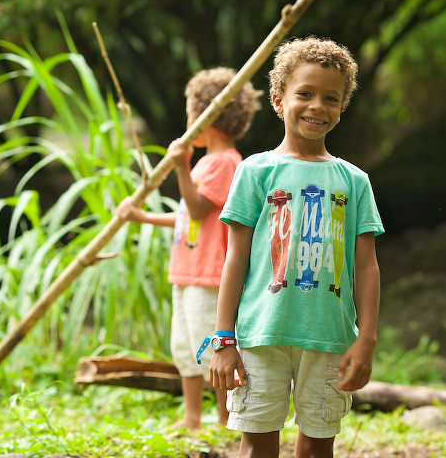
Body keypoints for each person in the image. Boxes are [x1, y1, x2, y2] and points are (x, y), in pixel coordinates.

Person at [208, 37, 384, 458]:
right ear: (278, 100)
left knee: (318, 447)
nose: (317, 106)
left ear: (342, 107)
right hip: (260, 334)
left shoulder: (354, 182)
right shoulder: (255, 171)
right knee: (257, 446)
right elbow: (234, 259)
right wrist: (223, 338)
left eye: (331, 98)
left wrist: (367, 339)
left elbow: (367, 267)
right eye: (304, 94)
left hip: (330, 338)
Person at [117, 67, 262, 431]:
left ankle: (225, 418)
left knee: (211, 346)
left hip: (210, 275)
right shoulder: (207, 163)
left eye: (189, 113)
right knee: (185, 347)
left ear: (205, 117)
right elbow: (188, 216)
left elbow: (196, 208)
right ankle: (192, 417)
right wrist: (142, 217)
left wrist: (181, 166)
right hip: (187, 271)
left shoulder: (227, 163)